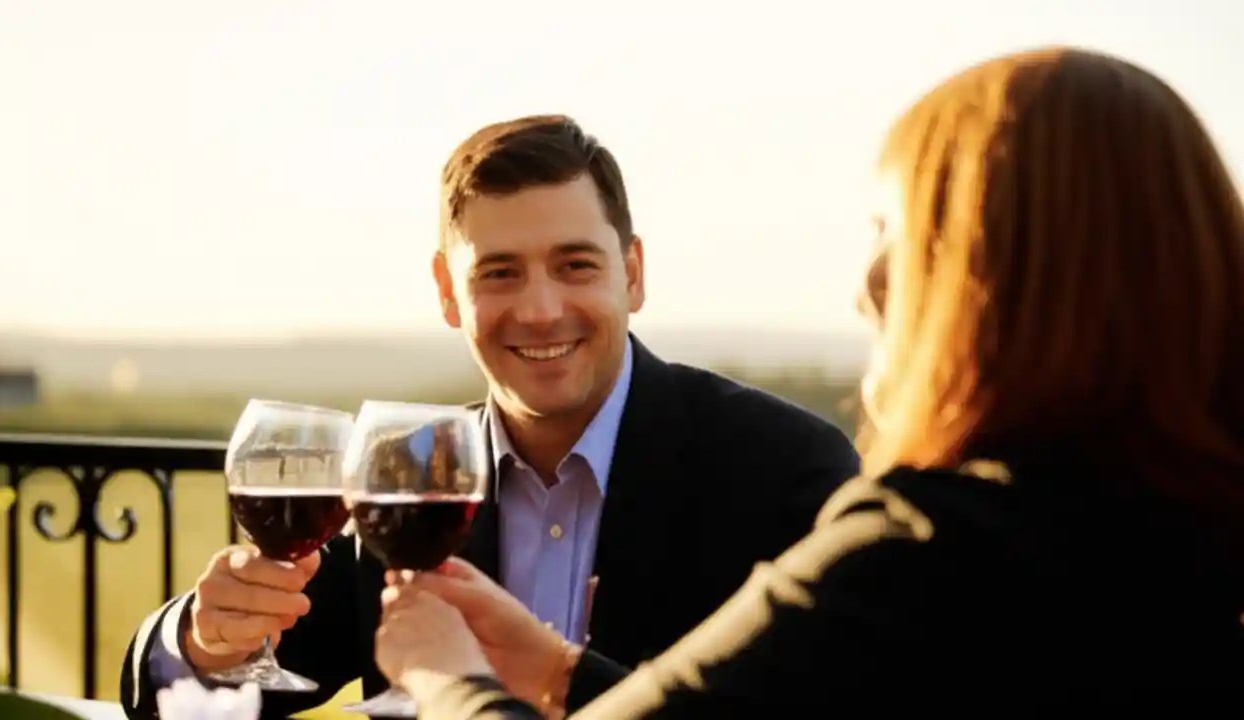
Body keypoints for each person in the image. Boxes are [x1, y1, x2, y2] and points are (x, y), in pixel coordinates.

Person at [370, 47, 1244, 717]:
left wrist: (448, 680)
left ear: (996, 278)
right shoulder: (1186, 529)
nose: (869, 283)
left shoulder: (923, 551)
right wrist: (559, 671)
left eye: (896, 231)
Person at [117, 114, 861, 719]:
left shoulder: (784, 472)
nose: (539, 310)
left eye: (575, 266)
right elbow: (185, 690)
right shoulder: (409, 473)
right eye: (498, 273)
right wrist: (204, 640)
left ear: (632, 274)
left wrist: (561, 679)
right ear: (448, 292)